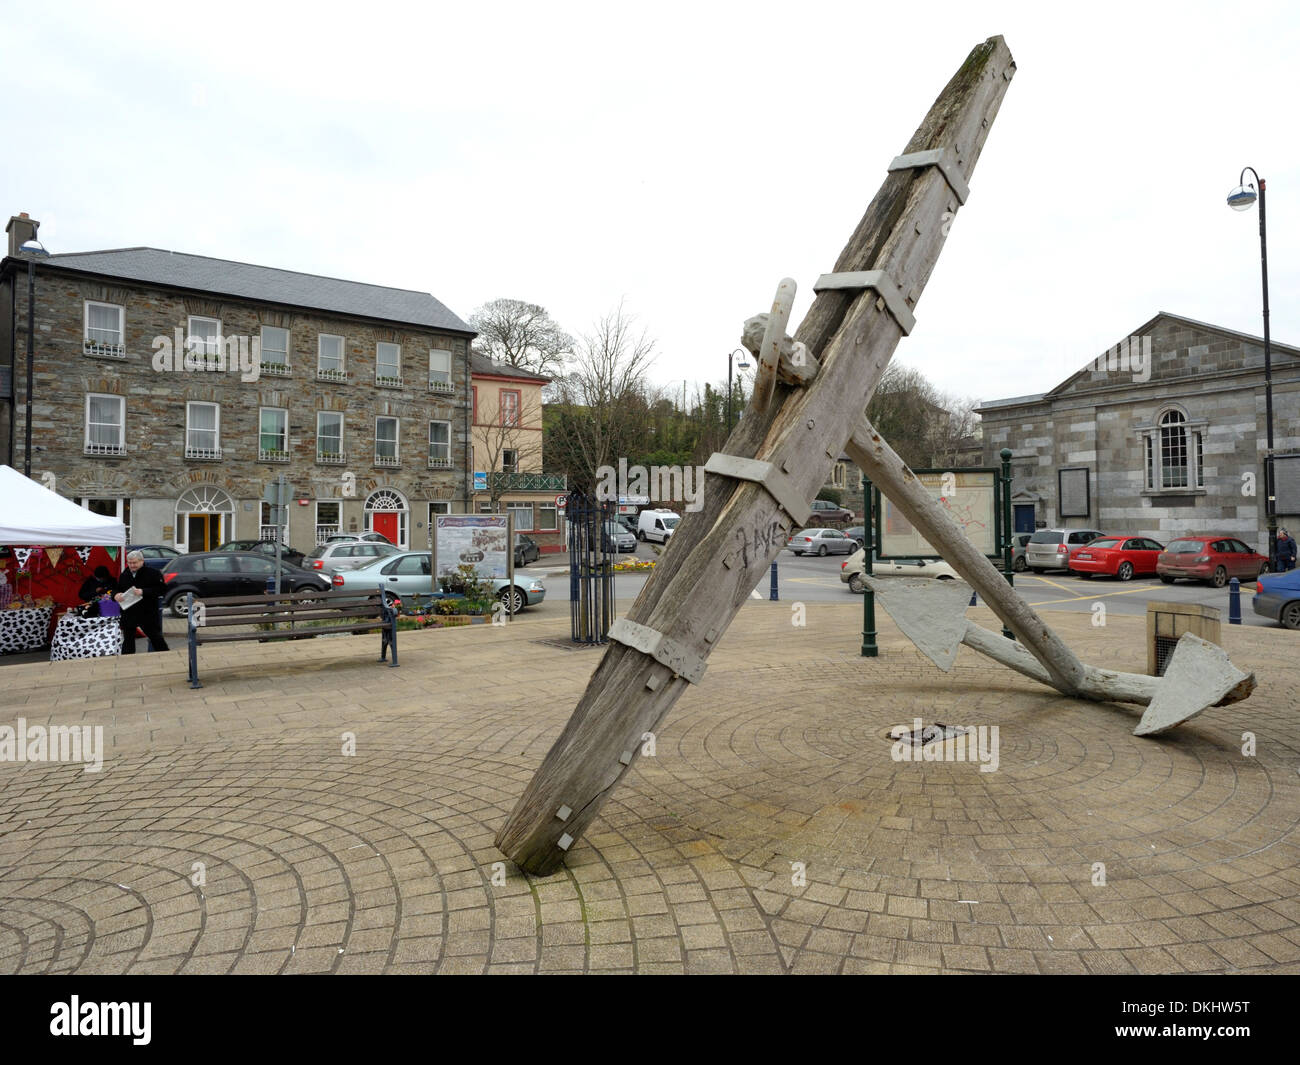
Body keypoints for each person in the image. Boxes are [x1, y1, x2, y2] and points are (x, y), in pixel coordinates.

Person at [114, 550, 169, 654]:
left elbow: (162, 589)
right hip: (129, 612)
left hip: (147, 612)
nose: (132, 565)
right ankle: (128, 662)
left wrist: (143, 592)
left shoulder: (153, 573)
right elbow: (117, 589)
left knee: (156, 638)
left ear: (142, 561)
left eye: (134, 563)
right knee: (128, 640)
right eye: (129, 563)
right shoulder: (124, 574)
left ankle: (167, 656)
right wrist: (115, 595)